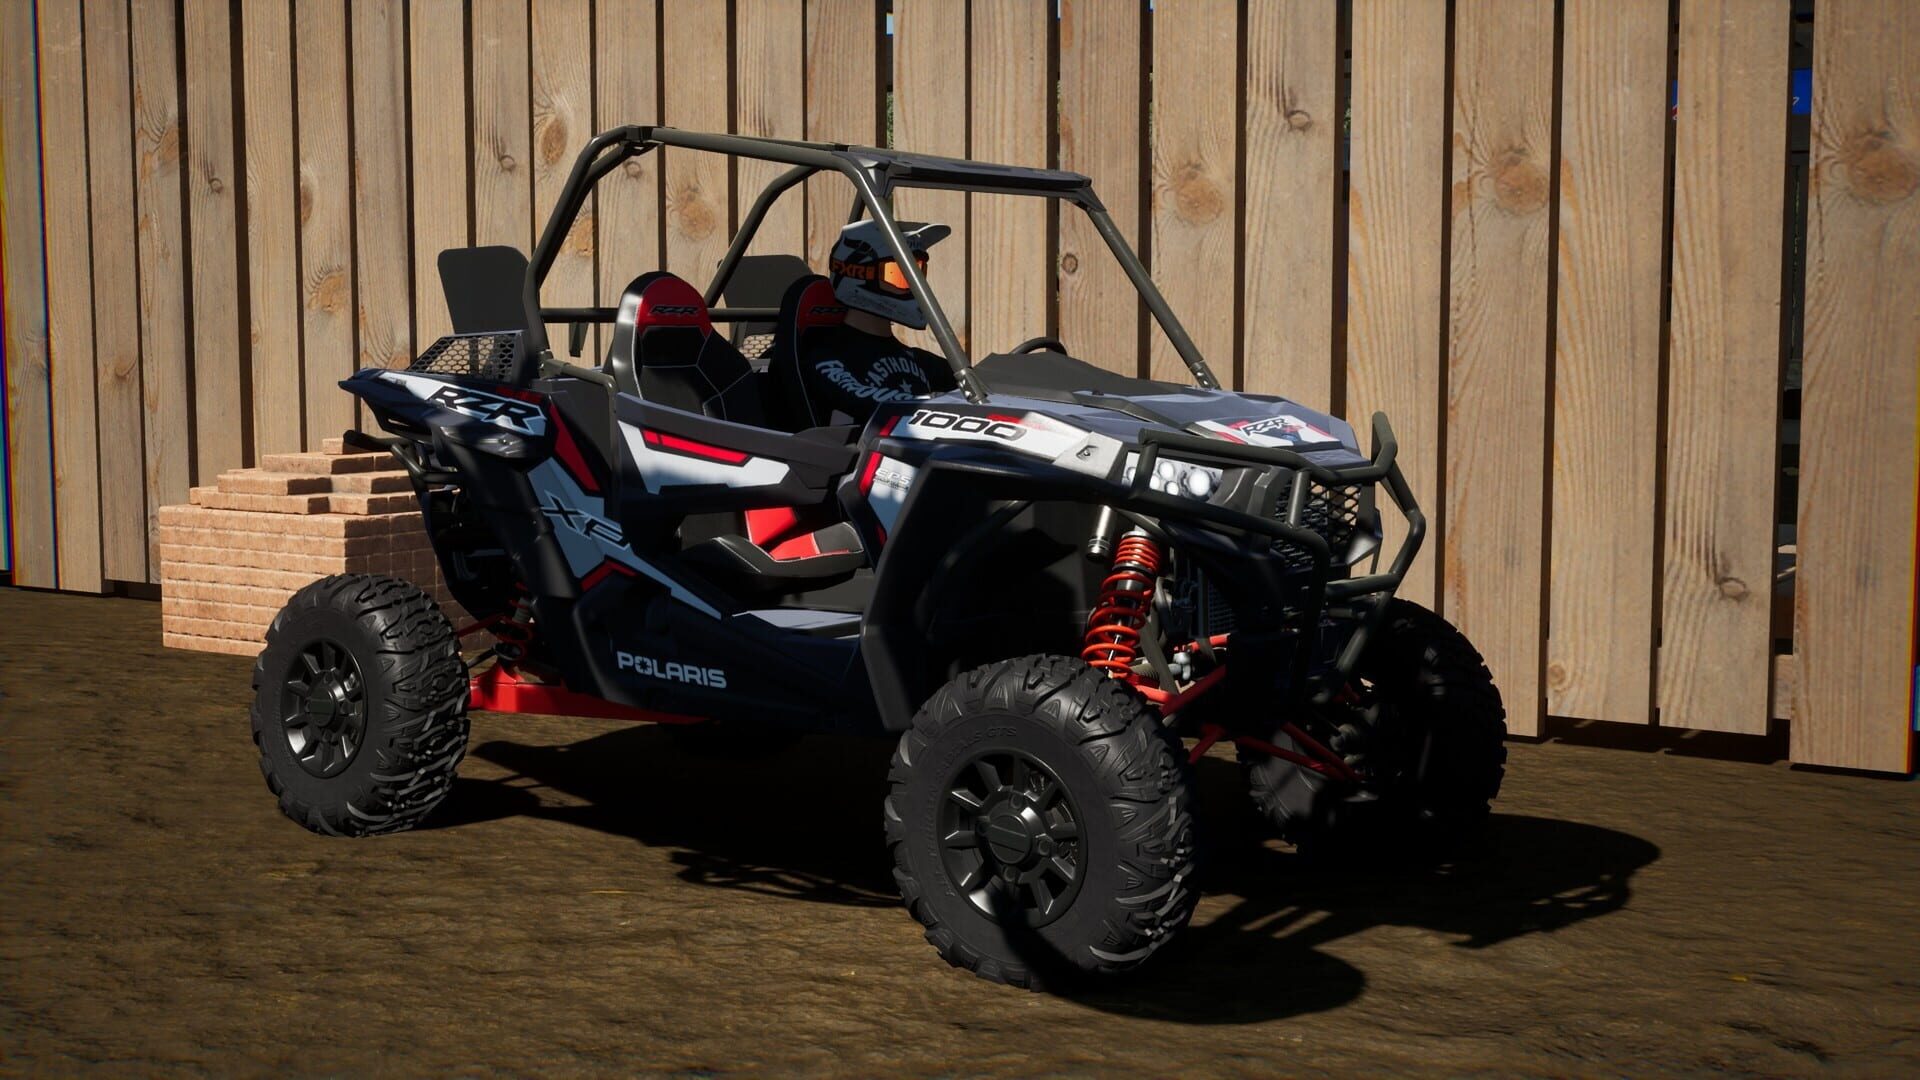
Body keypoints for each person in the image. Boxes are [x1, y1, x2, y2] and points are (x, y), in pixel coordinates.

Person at [796, 220, 957, 425]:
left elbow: (982, 390)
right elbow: (859, 399)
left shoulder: (920, 361)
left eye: (917, 271)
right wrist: (937, 403)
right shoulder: (825, 358)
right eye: (898, 275)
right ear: (859, 274)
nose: (913, 285)